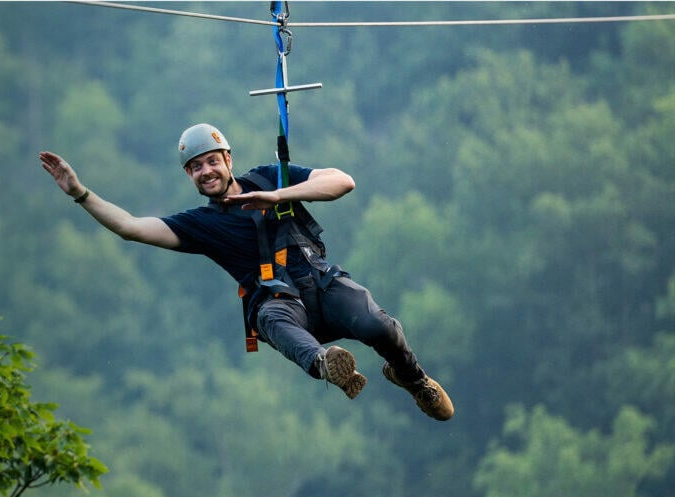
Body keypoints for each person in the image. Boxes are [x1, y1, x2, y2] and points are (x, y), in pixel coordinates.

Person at [39, 123, 454, 420]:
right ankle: (328, 365)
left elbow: (342, 181)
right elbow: (131, 227)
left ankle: (413, 380)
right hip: (280, 304)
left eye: (212, 162)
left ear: (227, 159)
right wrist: (80, 193)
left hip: (321, 283)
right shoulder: (200, 224)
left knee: (379, 326)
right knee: (268, 317)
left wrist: (277, 195)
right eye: (196, 167)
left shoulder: (269, 177)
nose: (206, 172)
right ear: (189, 175)